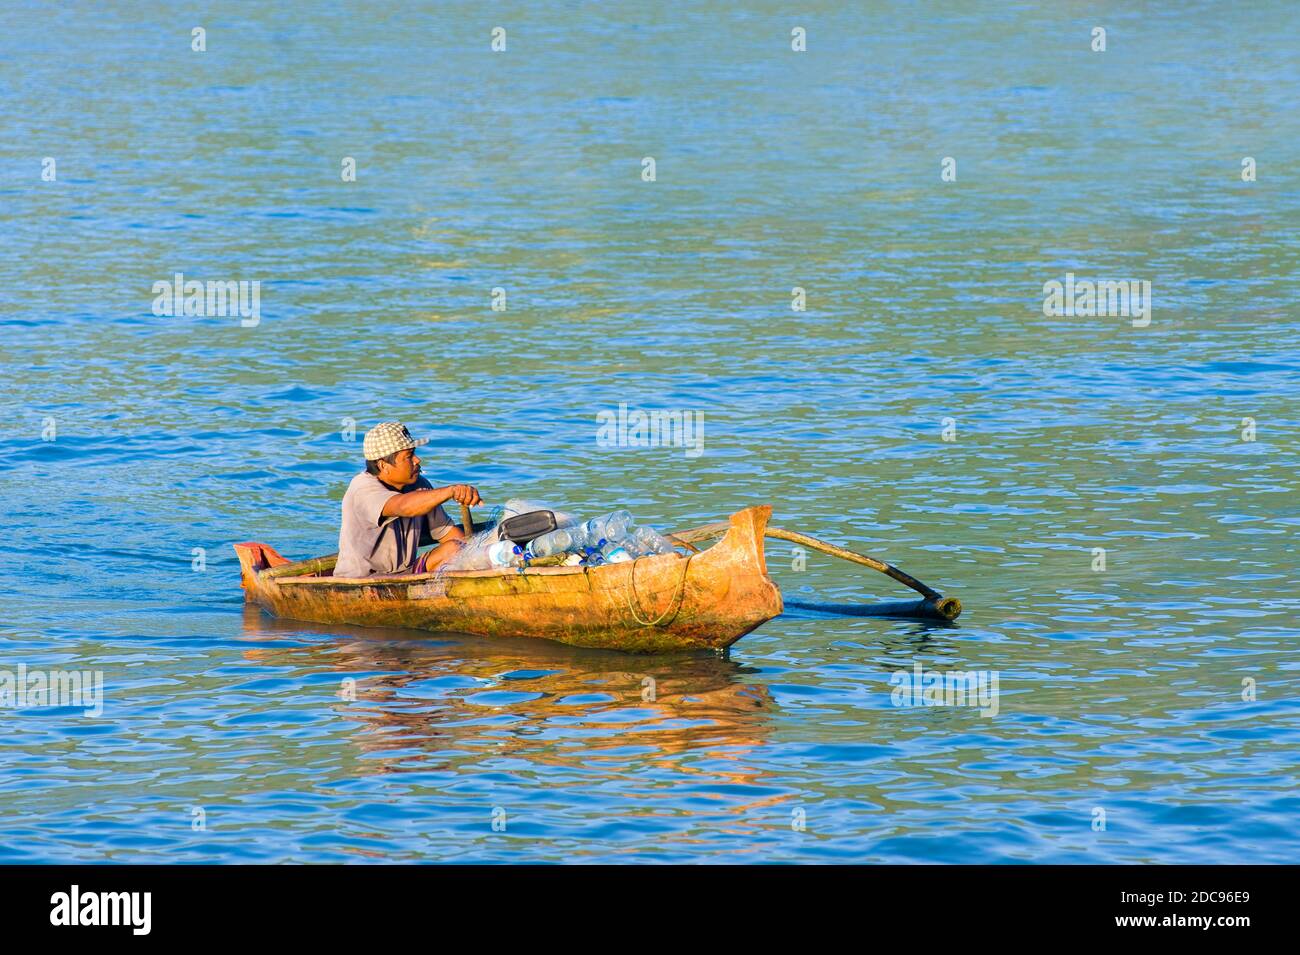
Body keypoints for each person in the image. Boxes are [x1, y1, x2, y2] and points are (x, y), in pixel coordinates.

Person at [333, 422, 482, 578]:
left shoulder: (420, 485)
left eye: (414, 453)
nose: (417, 460)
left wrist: (479, 553)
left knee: (455, 548)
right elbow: (403, 506)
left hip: (404, 574)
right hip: (362, 580)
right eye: (409, 456)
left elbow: (448, 534)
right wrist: (452, 491)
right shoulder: (362, 489)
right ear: (384, 465)